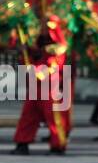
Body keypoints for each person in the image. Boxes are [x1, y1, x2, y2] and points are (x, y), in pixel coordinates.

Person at [12, 16, 71, 155]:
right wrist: (24, 52)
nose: (43, 29)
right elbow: (30, 59)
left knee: (53, 117)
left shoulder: (58, 48)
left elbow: (53, 66)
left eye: (46, 26)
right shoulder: (37, 44)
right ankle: (23, 142)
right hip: (35, 86)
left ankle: (57, 145)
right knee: (28, 115)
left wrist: (35, 71)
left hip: (50, 86)